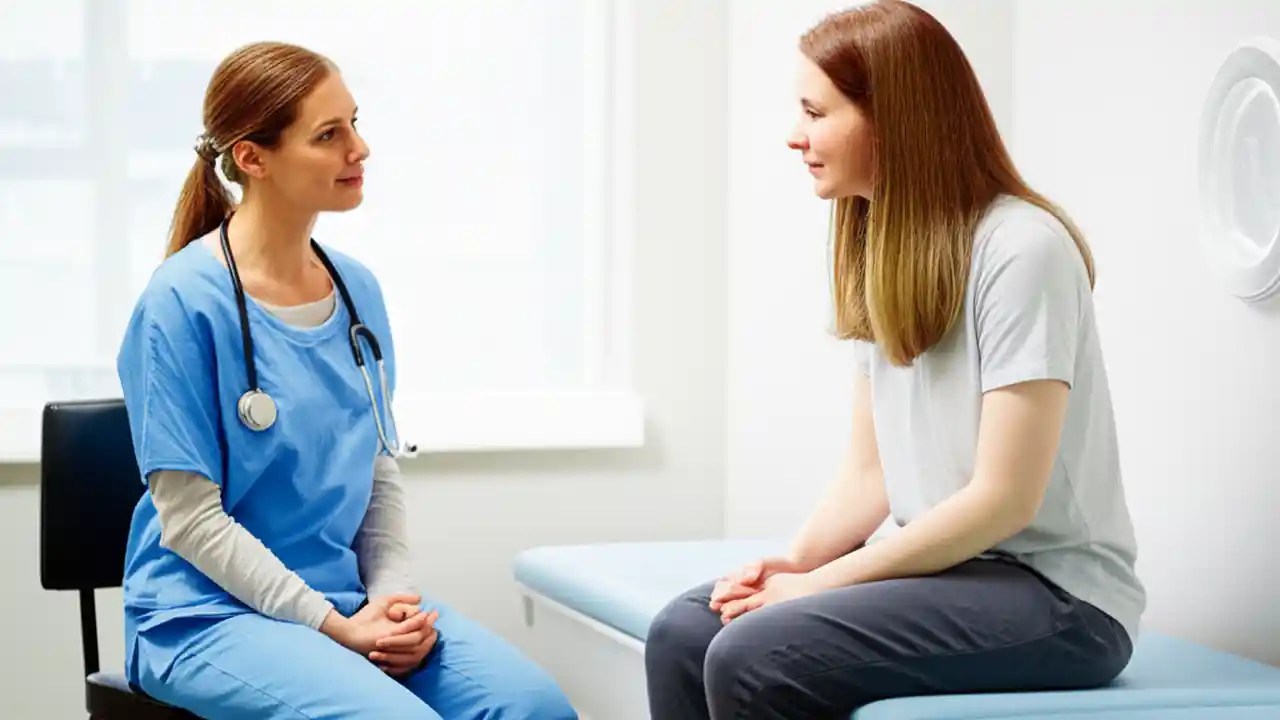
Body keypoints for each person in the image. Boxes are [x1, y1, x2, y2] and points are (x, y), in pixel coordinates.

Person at [643, 2, 1146, 717]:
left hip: (1060, 601)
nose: (795, 136)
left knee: (756, 656)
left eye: (816, 112)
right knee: (684, 632)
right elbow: (869, 473)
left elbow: (1004, 499)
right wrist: (797, 561)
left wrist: (820, 587)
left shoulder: (1021, 250)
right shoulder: (886, 249)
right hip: (955, 576)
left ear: (891, 117)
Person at [116, 41, 577, 720]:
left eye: (355, 124)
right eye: (329, 135)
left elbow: (377, 468)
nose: (359, 149)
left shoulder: (355, 293)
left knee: (536, 709)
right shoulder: (181, 303)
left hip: (345, 599)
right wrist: (336, 630)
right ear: (253, 157)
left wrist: (390, 596)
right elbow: (190, 521)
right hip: (204, 617)